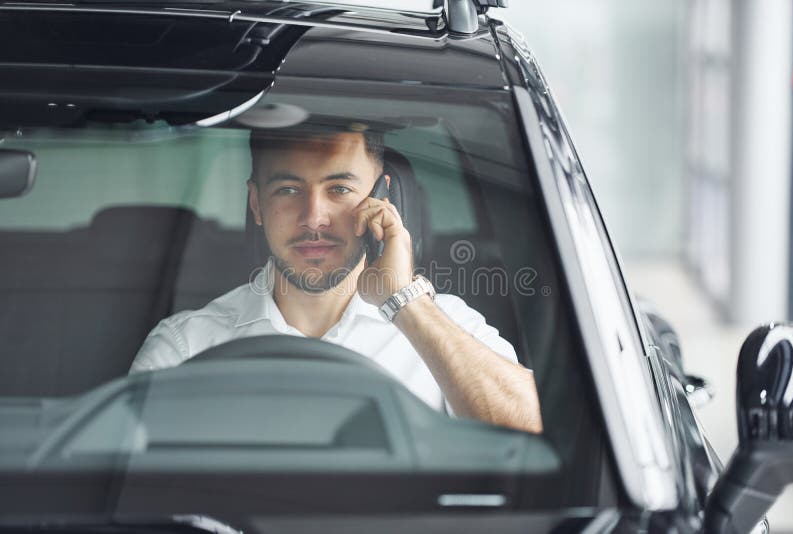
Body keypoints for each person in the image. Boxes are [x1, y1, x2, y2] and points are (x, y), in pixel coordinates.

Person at [130, 124, 543, 434]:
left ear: (382, 198)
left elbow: (533, 435)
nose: (314, 218)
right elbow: (129, 498)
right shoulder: (184, 348)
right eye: (289, 190)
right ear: (256, 203)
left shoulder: (446, 327)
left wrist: (406, 303)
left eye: (340, 189)